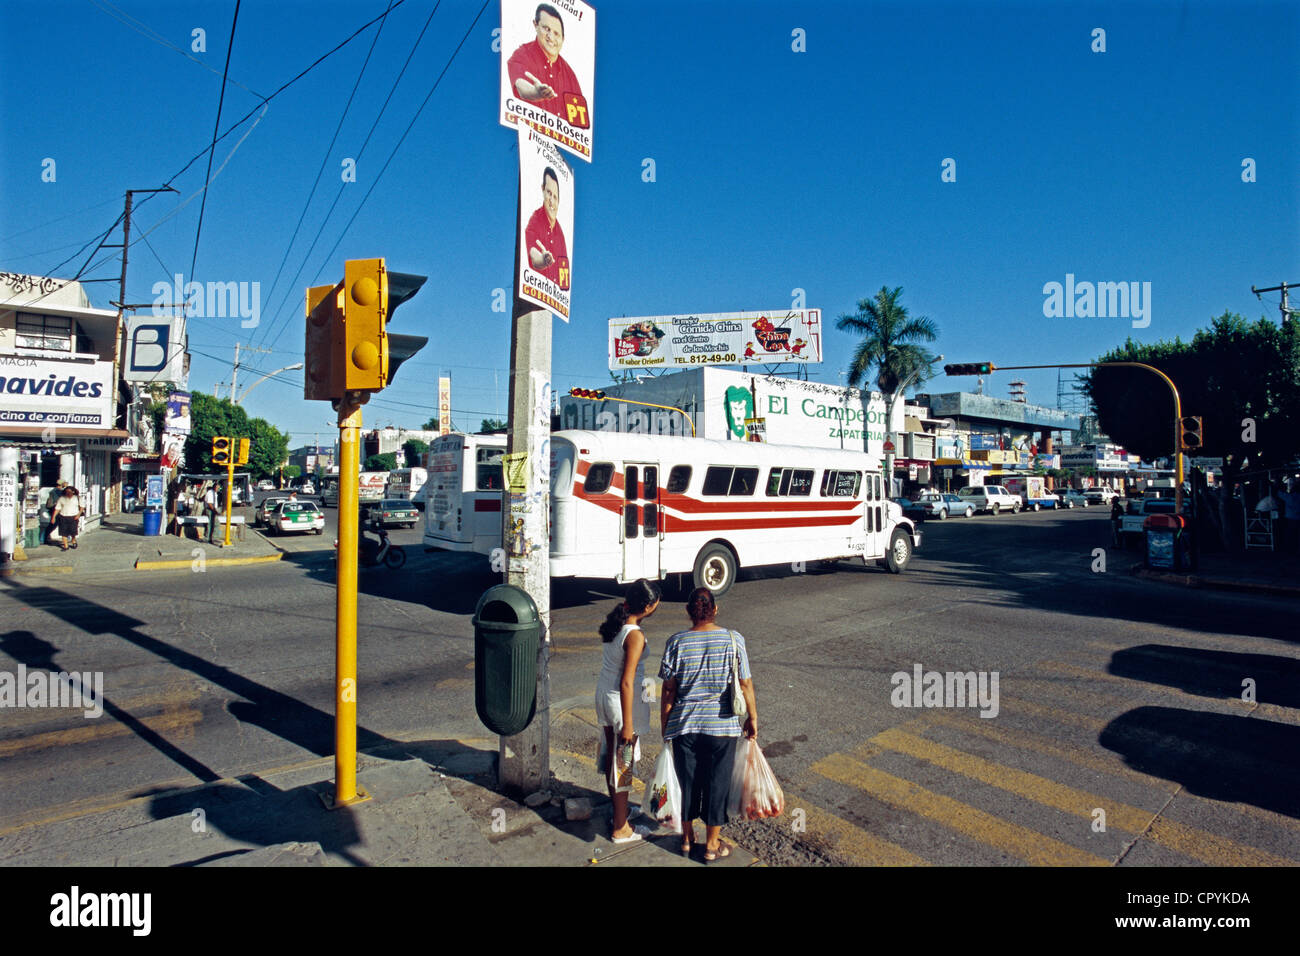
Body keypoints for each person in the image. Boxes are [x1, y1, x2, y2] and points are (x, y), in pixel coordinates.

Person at [659, 587, 757, 862]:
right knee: (717, 783)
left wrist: (666, 725)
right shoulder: (734, 639)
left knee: (686, 783)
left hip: (684, 727)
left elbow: (668, 691)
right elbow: (745, 683)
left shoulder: (676, 642)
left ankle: (687, 839)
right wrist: (753, 718)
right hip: (722, 727)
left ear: (689, 612)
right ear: (715, 610)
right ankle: (712, 845)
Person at [594, 579, 660, 842]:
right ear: (648, 606)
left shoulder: (618, 624)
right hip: (622, 703)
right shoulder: (635, 635)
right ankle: (621, 828)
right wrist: (629, 725)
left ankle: (619, 812)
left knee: (614, 760)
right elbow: (627, 681)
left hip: (605, 696)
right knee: (623, 764)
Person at [506, 4, 586, 121]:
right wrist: (535, 93)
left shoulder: (570, 76)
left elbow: (579, 122)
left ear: (563, 39)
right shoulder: (522, 54)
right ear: (536, 25)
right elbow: (520, 85)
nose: (551, 37)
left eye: (556, 33)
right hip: (527, 135)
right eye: (546, 29)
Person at [524, 167, 568, 287]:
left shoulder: (560, 235)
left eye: (555, 197)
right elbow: (532, 253)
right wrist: (543, 260)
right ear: (542, 190)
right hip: (534, 300)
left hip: (554, 303)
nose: (551, 201)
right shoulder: (535, 220)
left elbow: (564, 281)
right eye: (549, 193)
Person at [53, 485, 82, 551]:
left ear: (73, 492)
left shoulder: (77, 498)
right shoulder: (62, 498)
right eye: (66, 492)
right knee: (63, 532)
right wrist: (53, 517)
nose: (68, 493)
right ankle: (66, 546)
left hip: (73, 516)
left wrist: (78, 515)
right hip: (63, 516)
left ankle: (73, 540)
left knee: (73, 532)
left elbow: (82, 507)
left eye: (69, 491)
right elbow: (57, 508)